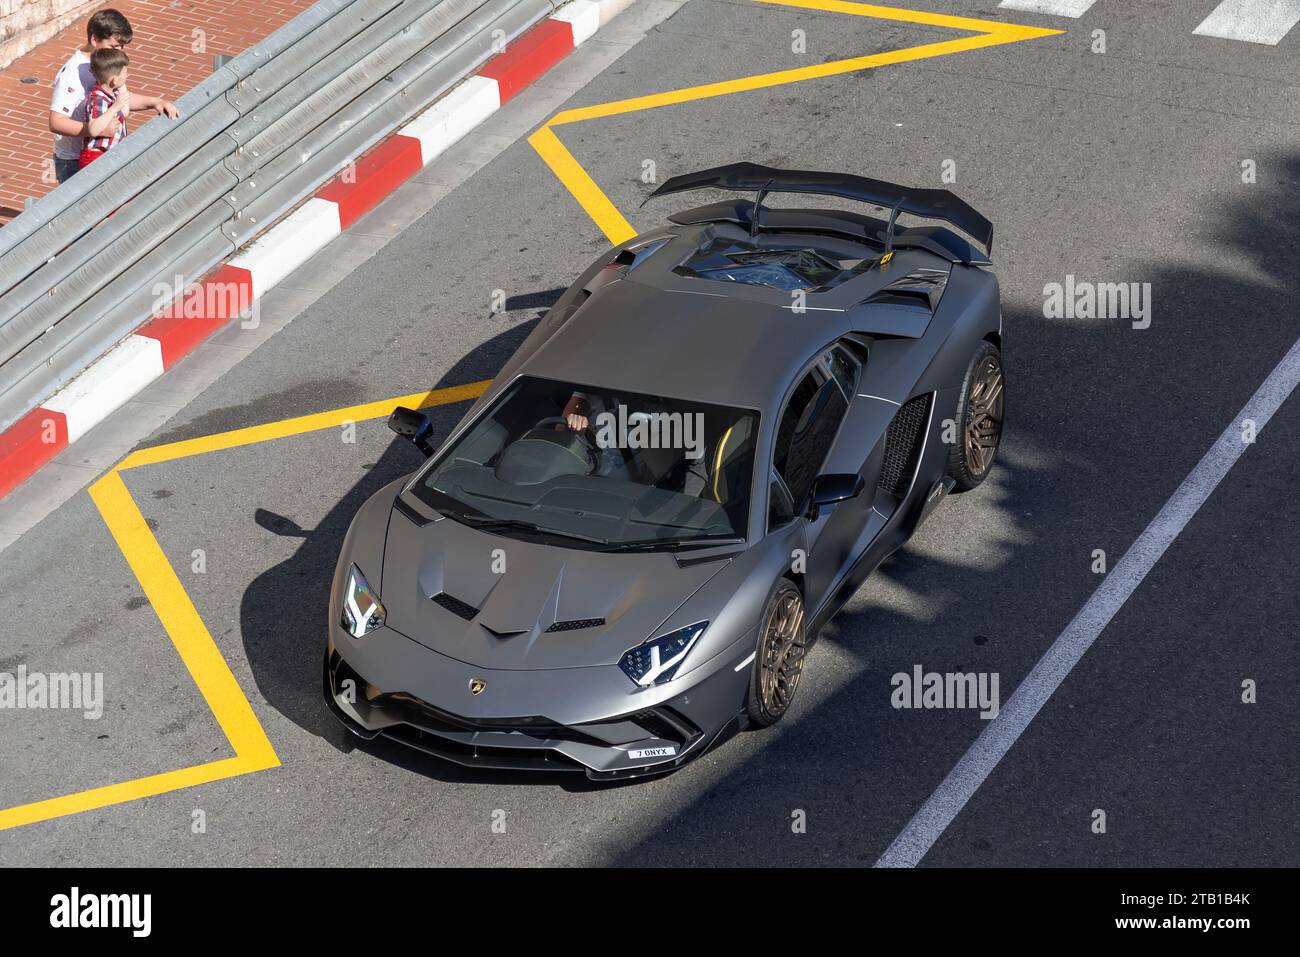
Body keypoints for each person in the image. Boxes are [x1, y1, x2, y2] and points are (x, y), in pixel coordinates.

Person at [48, 9, 179, 185]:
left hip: (101, 154)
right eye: (114, 47)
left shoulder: (105, 64)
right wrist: (96, 129)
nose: (119, 52)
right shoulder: (71, 75)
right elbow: (56, 122)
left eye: (122, 47)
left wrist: (155, 102)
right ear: (94, 39)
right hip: (74, 161)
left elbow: (118, 98)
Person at [79, 49, 130, 169]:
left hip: (108, 156)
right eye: (125, 73)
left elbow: (125, 112)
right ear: (114, 80)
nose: (127, 75)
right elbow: (93, 129)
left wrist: (121, 84)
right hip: (95, 157)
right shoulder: (98, 98)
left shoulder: (113, 94)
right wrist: (114, 107)